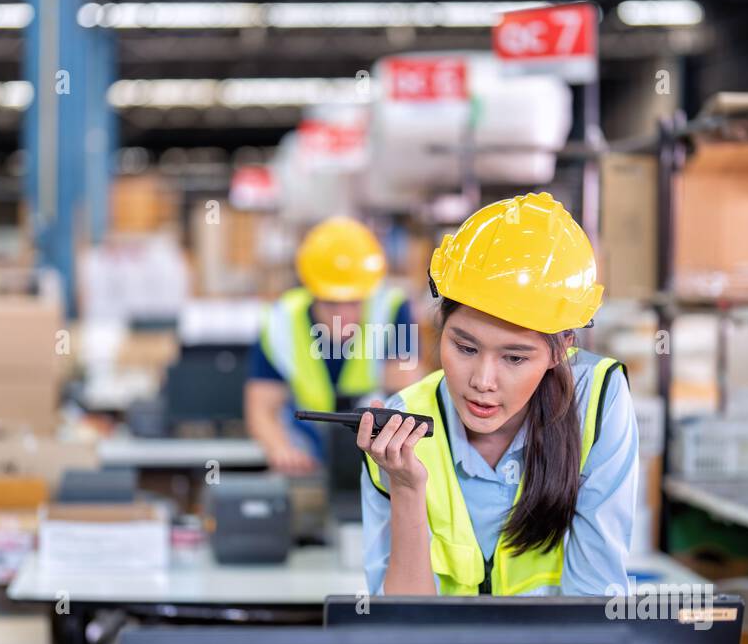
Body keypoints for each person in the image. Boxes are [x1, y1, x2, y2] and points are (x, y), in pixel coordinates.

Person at [358, 191, 638, 596]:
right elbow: (403, 630)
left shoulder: (597, 401)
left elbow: (594, 601)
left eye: (514, 358)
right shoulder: (403, 424)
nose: (483, 381)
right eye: (465, 348)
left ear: (560, 350)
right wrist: (404, 488)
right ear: (440, 326)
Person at [245, 216, 417, 475]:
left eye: (354, 302)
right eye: (331, 303)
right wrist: (281, 450)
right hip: (308, 447)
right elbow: (261, 406)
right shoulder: (280, 321)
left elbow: (407, 396)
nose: (343, 315)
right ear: (311, 291)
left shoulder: (392, 309)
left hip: (375, 447)